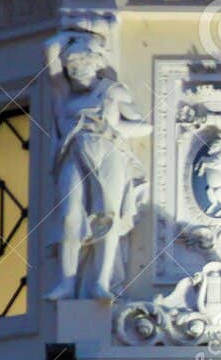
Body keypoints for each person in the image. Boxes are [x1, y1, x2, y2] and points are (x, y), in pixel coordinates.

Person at [44, 21, 150, 300]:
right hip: (74, 152)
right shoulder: (64, 95)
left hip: (108, 152)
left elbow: (144, 127)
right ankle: (67, 282)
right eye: (71, 64)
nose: (75, 70)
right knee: (69, 215)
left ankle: (100, 282)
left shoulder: (112, 92)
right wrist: (71, 34)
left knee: (108, 215)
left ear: (95, 63)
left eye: (81, 63)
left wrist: (112, 130)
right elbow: (50, 55)